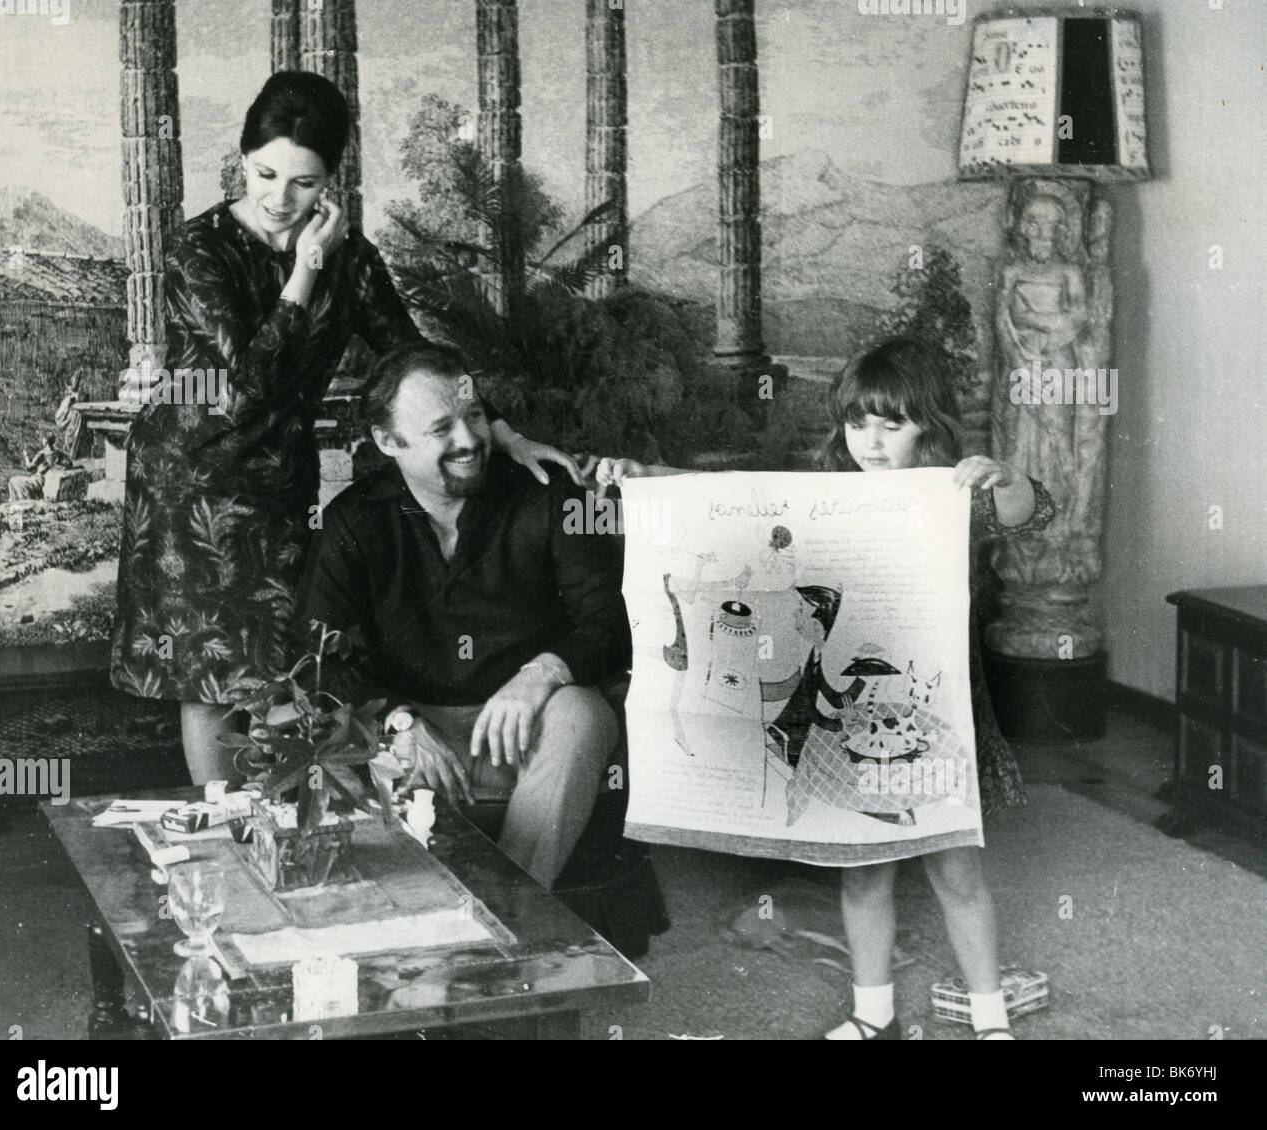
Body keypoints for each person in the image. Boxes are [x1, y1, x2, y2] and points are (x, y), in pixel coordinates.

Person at [108, 72, 579, 784]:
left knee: (290, 662)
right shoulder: (195, 249)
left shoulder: (353, 257)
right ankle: (225, 827)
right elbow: (247, 385)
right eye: (265, 173)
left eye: (304, 182)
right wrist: (304, 269)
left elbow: (406, 353)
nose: (280, 198)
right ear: (242, 160)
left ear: (330, 178)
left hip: (279, 479)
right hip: (191, 480)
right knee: (206, 675)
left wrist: (498, 429)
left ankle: (287, 827)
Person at [596, 337, 1055, 1040]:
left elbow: (1031, 511)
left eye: (890, 424)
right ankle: (873, 1015)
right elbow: (731, 500)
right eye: (857, 422)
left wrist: (1002, 476)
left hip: (934, 720)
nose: (869, 441)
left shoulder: (953, 494)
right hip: (850, 721)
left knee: (955, 873)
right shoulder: (825, 489)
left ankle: (991, 1019)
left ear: (929, 424)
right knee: (862, 872)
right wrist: (647, 477)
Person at [297, 343, 632, 889]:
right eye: (441, 428)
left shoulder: (548, 497)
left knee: (582, 715)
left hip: (528, 726)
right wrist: (398, 723)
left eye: (475, 416)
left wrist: (540, 676)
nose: (470, 440)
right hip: (414, 733)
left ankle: (515, 911)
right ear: (388, 441)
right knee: (356, 744)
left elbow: (610, 623)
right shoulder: (354, 521)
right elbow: (316, 656)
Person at [8, 432, 71, 500]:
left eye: (43, 439)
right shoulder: (58, 453)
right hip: (46, 481)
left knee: (12, 481)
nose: (42, 441)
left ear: (46, 441)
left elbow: (29, 467)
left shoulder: (42, 454)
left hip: (38, 480)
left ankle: (18, 501)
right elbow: (69, 463)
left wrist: (25, 456)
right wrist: (56, 465)